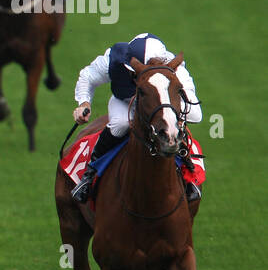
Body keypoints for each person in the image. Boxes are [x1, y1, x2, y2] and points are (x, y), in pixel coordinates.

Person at [70, 33, 203, 203]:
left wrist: (168, 109)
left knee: (175, 129)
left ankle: (192, 175)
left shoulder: (176, 69)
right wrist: (84, 103)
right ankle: (89, 175)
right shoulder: (115, 58)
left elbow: (196, 114)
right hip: (126, 102)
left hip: (161, 108)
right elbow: (88, 76)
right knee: (120, 124)